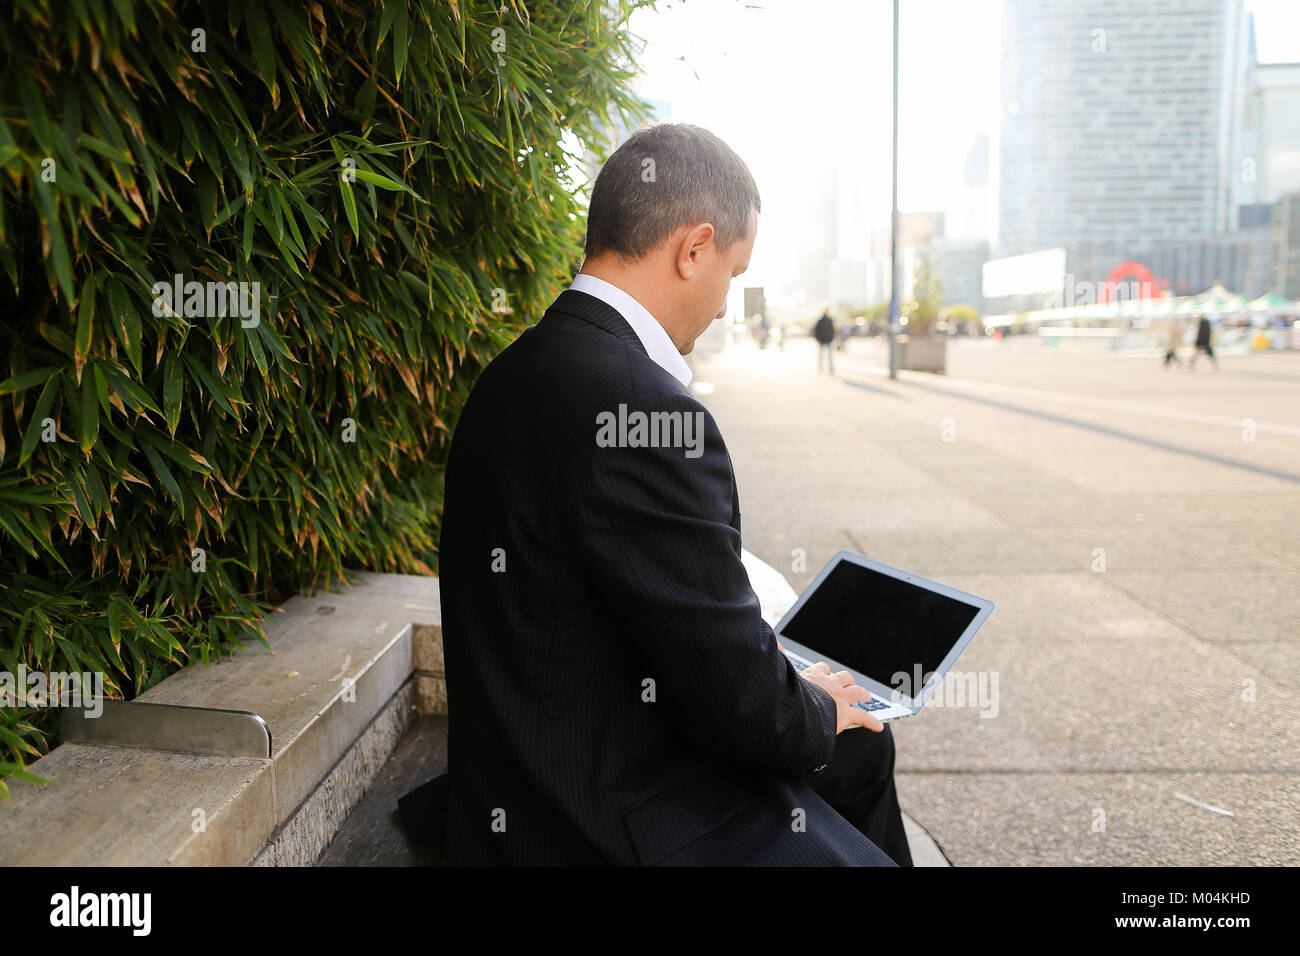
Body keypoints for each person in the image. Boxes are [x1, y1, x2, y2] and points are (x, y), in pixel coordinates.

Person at [431, 122, 901, 866]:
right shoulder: (648, 415)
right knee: (859, 736)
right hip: (598, 819)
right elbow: (748, 713)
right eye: (733, 273)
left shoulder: (512, 373)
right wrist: (807, 700)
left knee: (855, 750)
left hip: (515, 778)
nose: (723, 306)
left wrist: (779, 677)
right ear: (692, 249)